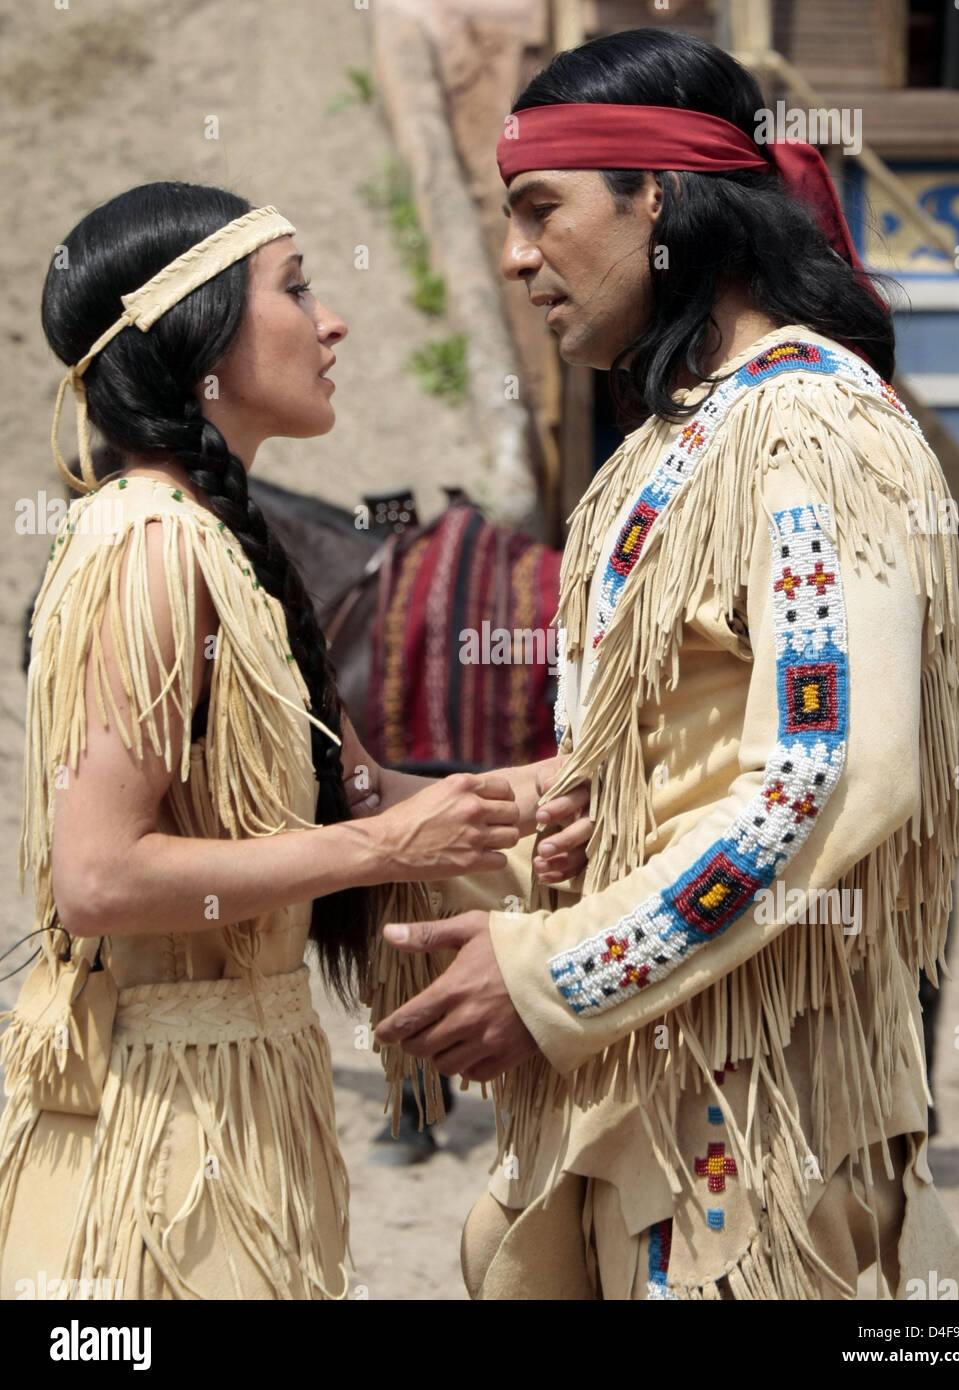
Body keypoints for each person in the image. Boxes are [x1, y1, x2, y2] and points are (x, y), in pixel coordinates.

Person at [371, 30, 959, 1300]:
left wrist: (551, 975)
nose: (514, 256)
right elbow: (686, 743)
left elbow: (827, 773)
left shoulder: (814, 423)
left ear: (662, 199)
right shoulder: (674, 439)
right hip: (640, 1089)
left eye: (542, 209)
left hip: (747, 1122)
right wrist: (514, 802)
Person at [0, 182, 591, 1300]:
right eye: (297, 288)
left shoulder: (228, 545)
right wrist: (387, 853)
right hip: (156, 1140)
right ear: (199, 334)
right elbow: (99, 876)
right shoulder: (146, 548)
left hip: (248, 1107)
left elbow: (373, 800)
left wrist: (599, 777)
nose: (332, 322)